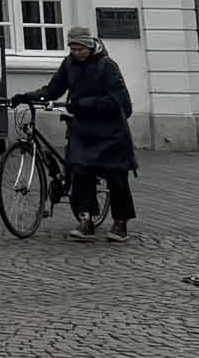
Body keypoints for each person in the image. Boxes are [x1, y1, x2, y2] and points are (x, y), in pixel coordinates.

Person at [17, 25, 138, 242]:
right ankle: (86, 220)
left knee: (116, 176)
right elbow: (54, 89)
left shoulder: (107, 67)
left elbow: (121, 103)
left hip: (110, 131)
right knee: (80, 171)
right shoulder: (69, 65)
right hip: (82, 129)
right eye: (72, 49)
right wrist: (27, 97)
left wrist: (85, 104)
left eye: (80, 49)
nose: (76, 53)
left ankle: (121, 222)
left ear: (90, 46)